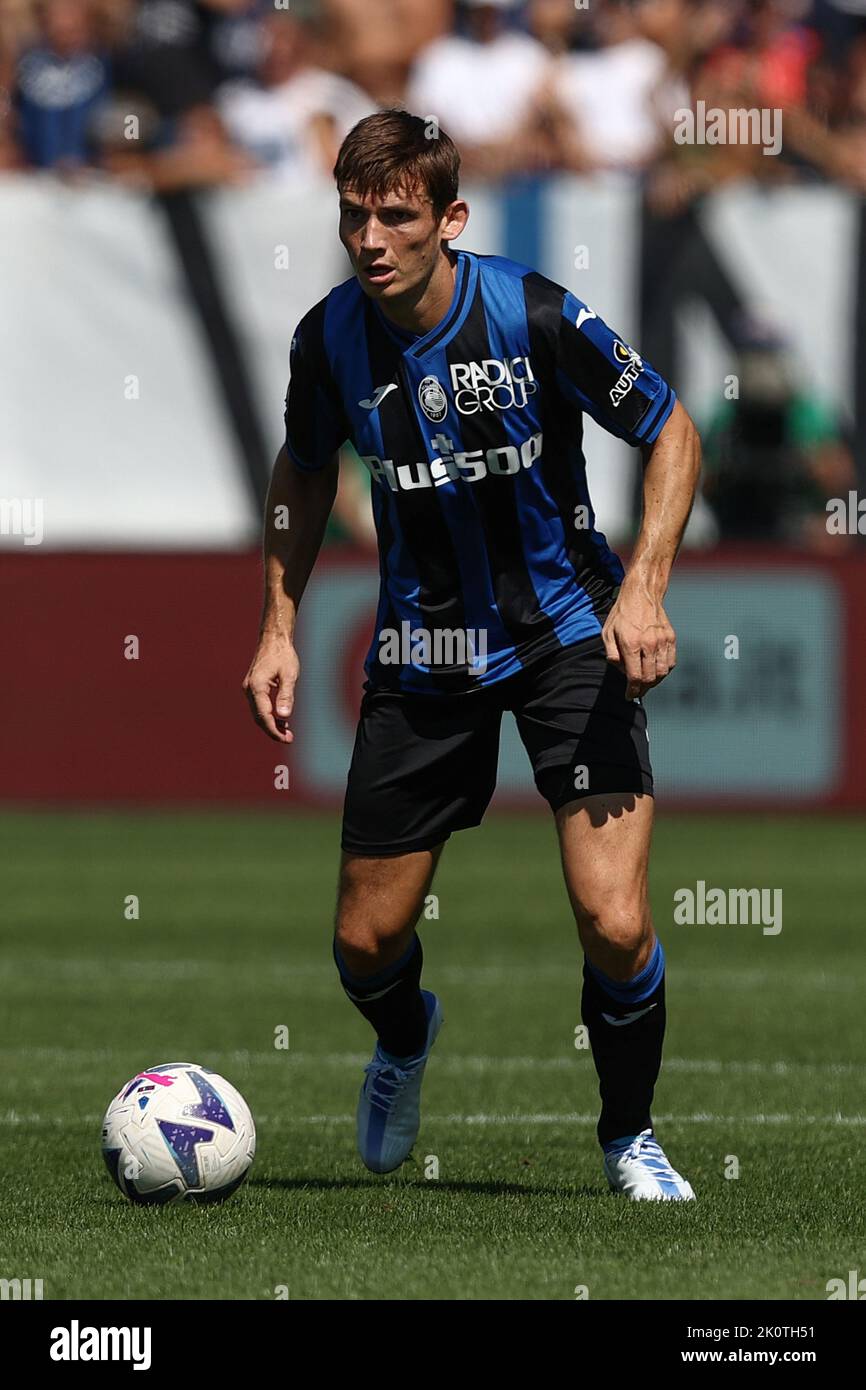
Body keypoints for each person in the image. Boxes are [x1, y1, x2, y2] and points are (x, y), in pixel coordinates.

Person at [243, 110, 702, 1201]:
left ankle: (628, 1136)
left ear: (448, 219)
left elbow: (673, 428)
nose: (369, 238)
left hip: (562, 633)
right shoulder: (328, 340)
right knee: (364, 944)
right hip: (421, 645)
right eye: (353, 215)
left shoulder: (532, 313)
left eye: (395, 216)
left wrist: (641, 588)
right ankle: (404, 1039)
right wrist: (275, 623)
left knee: (614, 917)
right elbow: (305, 468)